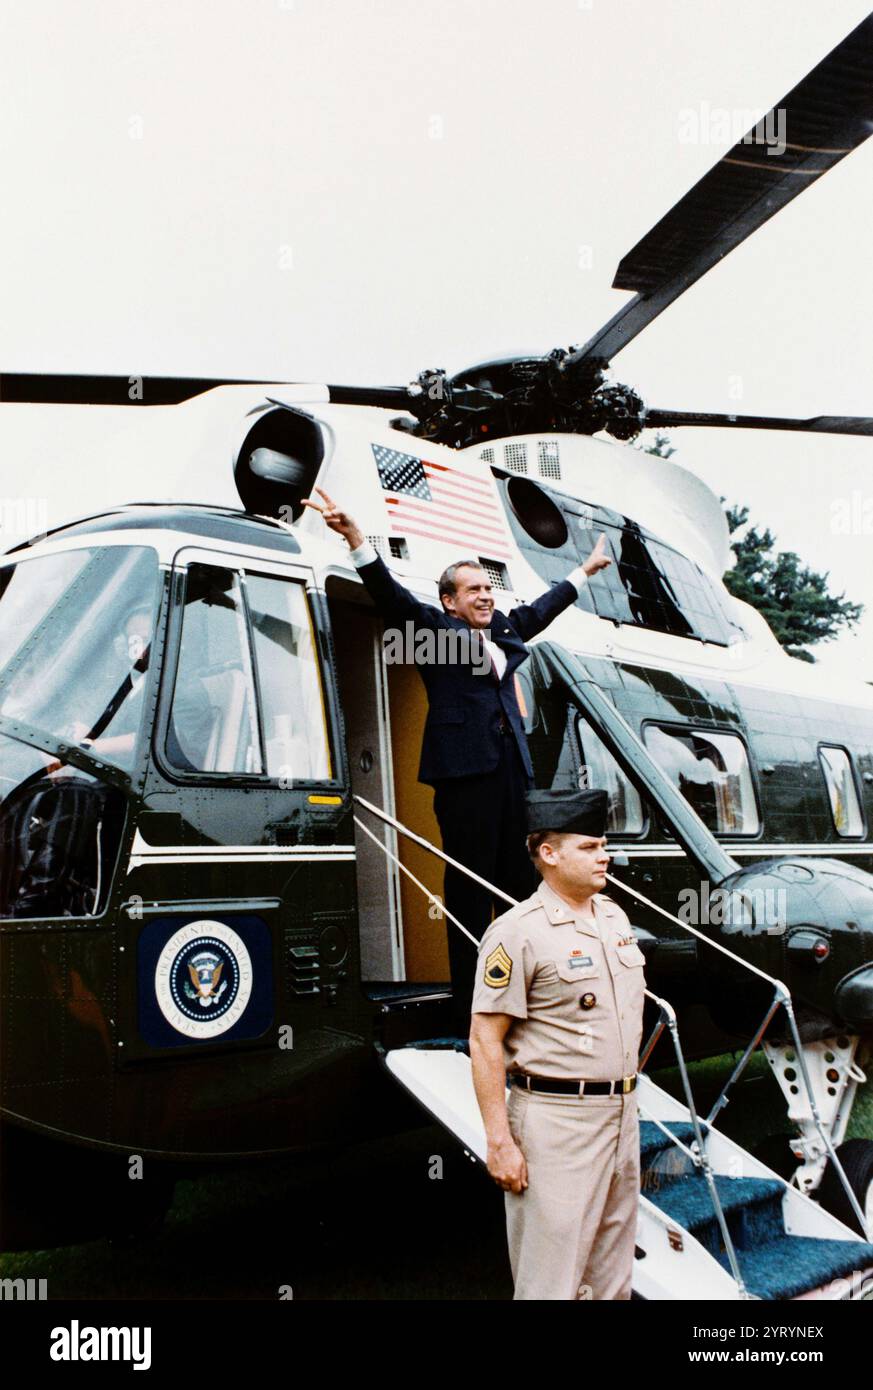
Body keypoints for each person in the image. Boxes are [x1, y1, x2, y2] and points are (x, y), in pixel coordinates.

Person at [302, 486, 612, 1032]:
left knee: (520, 884)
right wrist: (354, 539)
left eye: (488, 587)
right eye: (473, 590)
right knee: (469, 887)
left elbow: (543, 607)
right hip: (465, 776)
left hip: (514, 775)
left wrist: (585, 571)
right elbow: (389, 596)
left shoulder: (506, 631)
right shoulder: (434, 631)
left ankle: (528, 994)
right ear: (449, 601)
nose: (485, 596)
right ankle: (471, 1007)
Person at [469, 788, 646, 1300]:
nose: (604, 856)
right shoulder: (516, 933)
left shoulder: (613, 916)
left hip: (621, 1117)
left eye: (604, 845)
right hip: (555, 1123)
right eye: (590, 847)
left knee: (613, 1278)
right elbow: (485, 1039)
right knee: (552, 1281)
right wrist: (499, 1140)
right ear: (549, 853)